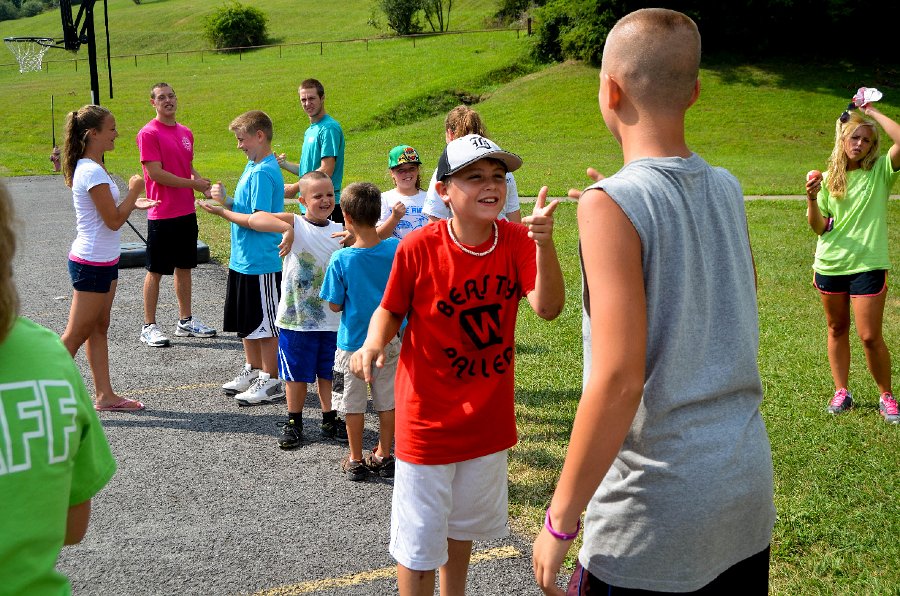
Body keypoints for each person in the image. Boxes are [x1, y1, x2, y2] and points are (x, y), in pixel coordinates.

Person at [532, 9, 775, 595]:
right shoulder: (726, 186)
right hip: (743, 494)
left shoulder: (607, 203)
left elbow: (618, 380)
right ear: (693, 92)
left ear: (610, 90)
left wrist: (560, 520)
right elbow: (736, 291)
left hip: (654, 516)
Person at [351, 134, 564, 595]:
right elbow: (389, 309)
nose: (491, 186)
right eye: (474, 177)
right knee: (419, 544)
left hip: (487, 422)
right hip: (427, 422)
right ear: (443, 191)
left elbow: (547, 308)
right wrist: (372, 343)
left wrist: (544, 245)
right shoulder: (420, 247)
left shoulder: (515, 241)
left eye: (497, 176)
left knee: (460, 530)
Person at [0, 179, 118, 595]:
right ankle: (101, 394)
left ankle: (105, 393)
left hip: (100, 261)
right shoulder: (47, 355)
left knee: (93, 329)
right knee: (80, 332)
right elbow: (72, 525)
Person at [226, 170, 347, 448]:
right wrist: (286, 228)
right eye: (318, 196)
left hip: (331, 320)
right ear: (302, 200)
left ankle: (330, 418)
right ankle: (295, 421)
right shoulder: (295, 223)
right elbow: (256, 218)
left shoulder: (339, 230)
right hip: (297, 320)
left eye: (330, 194)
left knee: (328, 372)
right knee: (296, 375)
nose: (326, 200)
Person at [806, 103, 900, 424]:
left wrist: (872, 114)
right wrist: (810, 199)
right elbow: (820, 226)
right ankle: (842, 391)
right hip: (830, 265)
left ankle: (886, 395)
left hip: (868, 265)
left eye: (865, 139)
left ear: (873, 146)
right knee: (836, 328)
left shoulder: (880, 173)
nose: (858, 144)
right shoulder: (830, 178)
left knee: (870, 335)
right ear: (842, 140)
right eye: (853, 137)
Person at [60, 105, 157, 411]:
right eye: (112, 129)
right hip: (90, 263)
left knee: (99, 327)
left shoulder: (93, 166)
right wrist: (134, 189)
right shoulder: (90, 170)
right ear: (93, 135)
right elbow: (114, 220)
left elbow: (111, 210)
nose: (117, 134)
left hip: (103, 260)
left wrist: (132, 201)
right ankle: (41, 393)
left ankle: (104, 396)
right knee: (74, 336)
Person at [200, 110, 285, 405]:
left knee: (266, 324)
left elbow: (258, 218)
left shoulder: (263, 171)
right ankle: (254, 370)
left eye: (242, 139)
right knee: (247, 321)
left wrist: (223, 211)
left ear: (259, 136)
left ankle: (271, 378)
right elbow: (246, 207)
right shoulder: (253, 165)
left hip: (261, 260)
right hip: (244, 259)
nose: (239, 145)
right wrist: (227, 201)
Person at [321, 182, 401, 481]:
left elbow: (333, 305)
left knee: (352, 403)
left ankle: (355, 458)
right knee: (387, 400)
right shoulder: (394, 247)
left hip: (352, 344)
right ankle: (384, 453)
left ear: (346, 217)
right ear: (379, 213)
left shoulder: (341, 259)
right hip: (389, 339)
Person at [137, 82, 216, 348]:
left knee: (184, 267)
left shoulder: (185, 132)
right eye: (162, 98)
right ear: (153, 103)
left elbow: (186, 166)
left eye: (171, 96)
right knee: (156, 269)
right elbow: (156, 173)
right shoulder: (148, 133)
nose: (168, 101)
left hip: (186, 211)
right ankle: (149, 326)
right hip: (162, 213)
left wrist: (200, 181)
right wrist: (192, 184)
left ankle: (185, 320)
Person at [422, 105, 521, 224]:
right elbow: (514, 215)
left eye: (497, 177)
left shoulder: (446, 170)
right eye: (475, 177)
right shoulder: (501, 165)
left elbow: (434, 220)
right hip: (501, 238)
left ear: (450, 133)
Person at [279, 78, 346, 223]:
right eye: (303, 99)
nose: (307, 103)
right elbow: (308, 171)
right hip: (310, 205)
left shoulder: (328, 128)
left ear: (322, 98)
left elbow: (327, 169)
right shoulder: (311, 130)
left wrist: (295, 187)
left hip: (326, 206)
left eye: (311, 98)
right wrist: (284, 164)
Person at [376, 145, 429, 241]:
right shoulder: (384, 198)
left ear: (418, 170)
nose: (407, 173)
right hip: (395, 254)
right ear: (392, 173)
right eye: (401, 170)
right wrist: (394, 218)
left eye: (412, 168)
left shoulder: (429, 198)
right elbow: (378, 236)